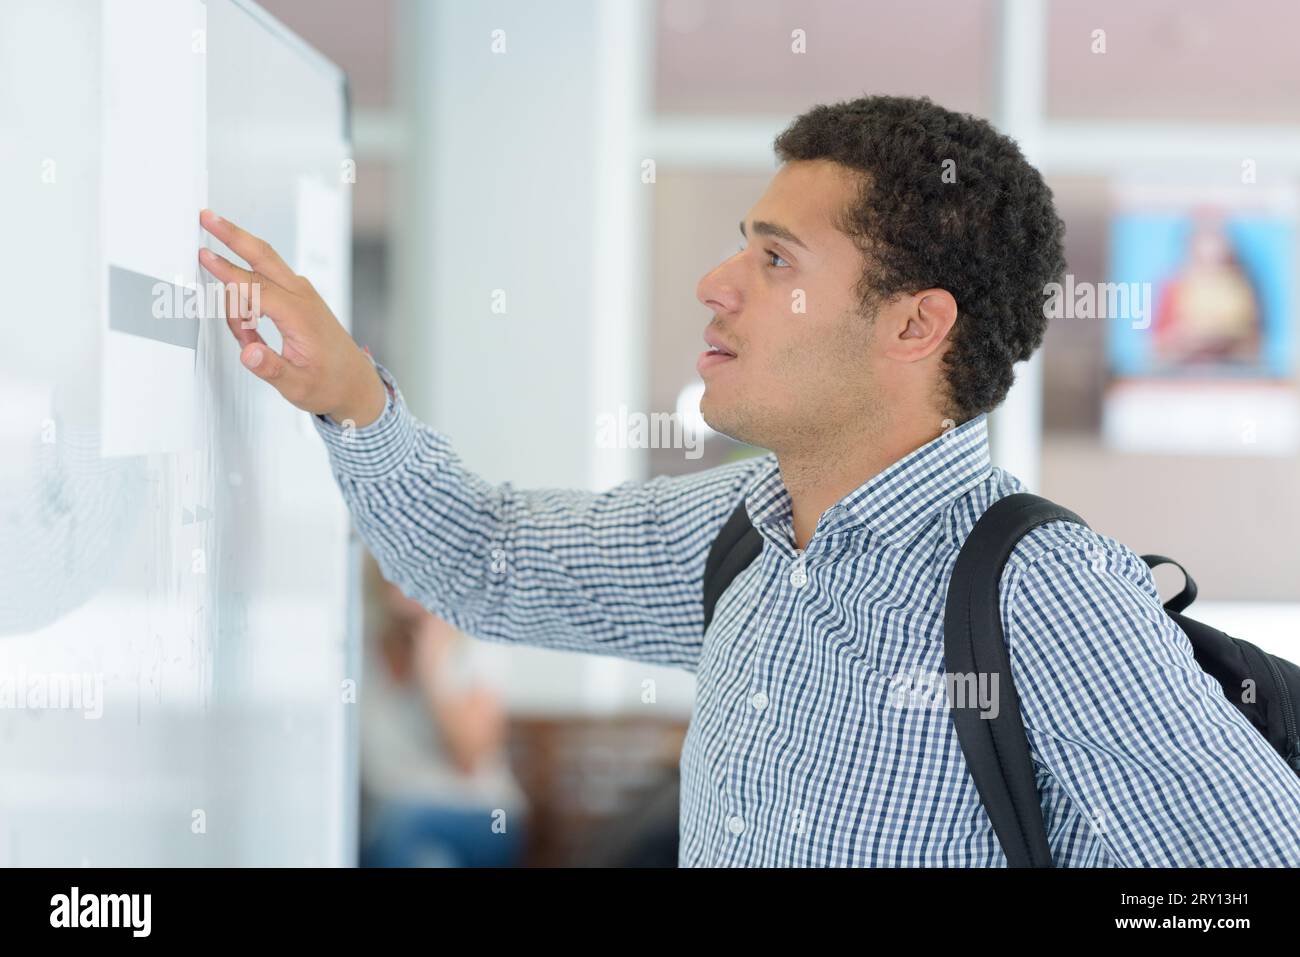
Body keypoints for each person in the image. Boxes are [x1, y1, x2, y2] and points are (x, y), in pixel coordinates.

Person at [197, 94, 1300, 867]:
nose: (714, 284)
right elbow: (486, 562)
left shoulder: (1042, 593)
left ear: (913, 325)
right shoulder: (740, 532)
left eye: (774, 259)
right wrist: (349, 396)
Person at [358, 555, 528, 867]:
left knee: (406, 828)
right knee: (427, 858)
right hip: (390, 820)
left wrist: (431, 665)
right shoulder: (359, 655)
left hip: (481, 816)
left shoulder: (476, 646)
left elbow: (469, 759)